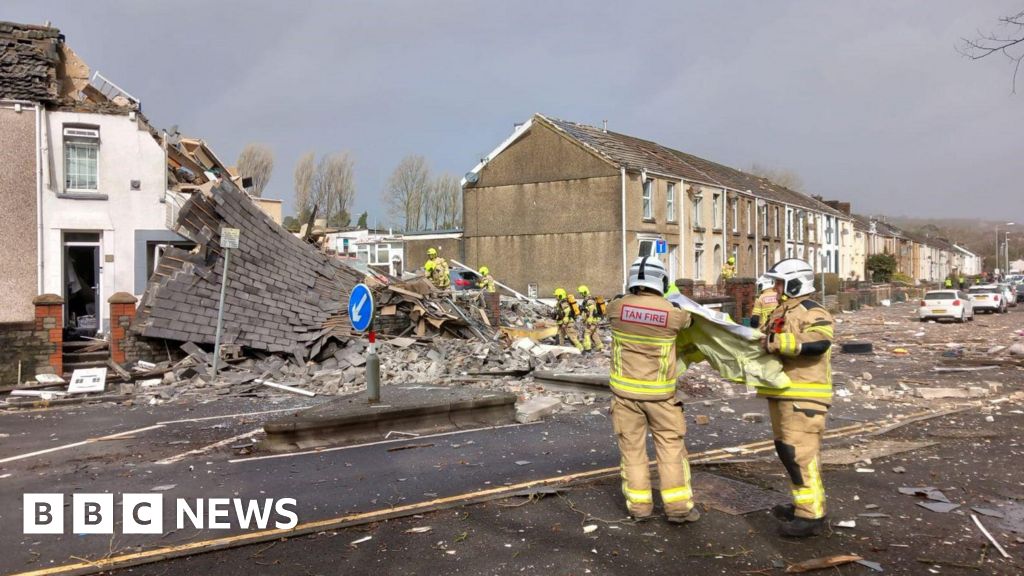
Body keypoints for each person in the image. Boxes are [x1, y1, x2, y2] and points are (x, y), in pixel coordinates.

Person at [608, 256, 698, 523]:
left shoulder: (616, 308)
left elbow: (613, 304)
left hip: (625, 397)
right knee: (670, 451)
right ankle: (679, 509)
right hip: (661, 396)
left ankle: (639, 508)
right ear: (662, 281)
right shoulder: (673, 315)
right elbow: (690, 321)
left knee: (632, 452)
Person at [760, 258, 835, 538]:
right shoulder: (782, 310)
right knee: (788, 453)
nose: (775, 288)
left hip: (804, 395)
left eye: (779, 282)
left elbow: (820, 342)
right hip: (784, 392)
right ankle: (803, 506)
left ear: (794, 282)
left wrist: (776, 343)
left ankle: (811, 517)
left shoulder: (812, 310)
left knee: (800, 455)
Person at [577, 285, 604, 353]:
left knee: (587, 334)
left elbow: (591, 310)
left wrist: (589, 320)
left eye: (581, 293)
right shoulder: (589, 299)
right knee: (594, 334)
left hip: (591, 320)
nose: (581, 294)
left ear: (584, 292)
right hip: (594, 320)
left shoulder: (589, 300)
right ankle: (600, 347)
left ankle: (588, 348)